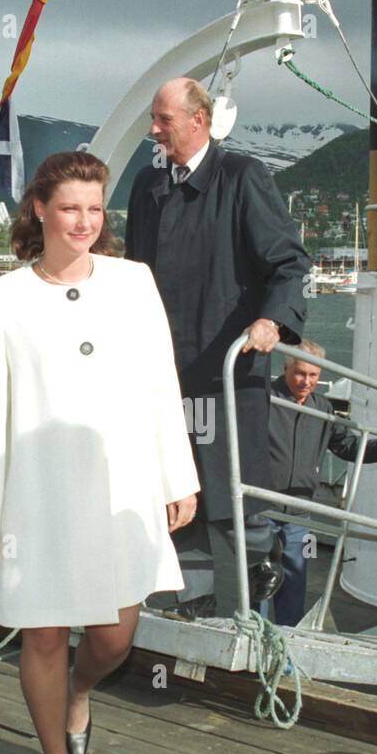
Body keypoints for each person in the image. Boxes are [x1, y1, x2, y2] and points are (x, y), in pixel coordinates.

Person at [0, 151, 199, 754]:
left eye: (94, 208)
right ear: (39, 210)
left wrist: (177, 474)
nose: (84, 222)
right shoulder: (0, 300)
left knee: (116, 634)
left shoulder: (133, 282)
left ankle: (81, 693)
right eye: (69, 208)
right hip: (35, 497)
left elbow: (158, 383)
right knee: (46, 632)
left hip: (121, 485)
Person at [126, 77, 310, 619]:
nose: (154, 130)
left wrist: (272, 320)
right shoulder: (146, 186)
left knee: (231, 501)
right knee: (163, 492)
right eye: (153, 120)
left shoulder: (241, 177)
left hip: (227, 375)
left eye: (163, 120)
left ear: (199, 121)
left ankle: (242, 607)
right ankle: (165, 611)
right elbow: (136, 277)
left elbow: (288, 262)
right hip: (164, 377)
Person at [265, 339, 377, 627]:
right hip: (261, 508)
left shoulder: (323, 408)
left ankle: (286, 641)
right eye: (300, 373)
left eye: (314, 375)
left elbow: (348, 447)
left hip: (299, 512)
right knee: (258, 580)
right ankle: (253, 640)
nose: (307, 381)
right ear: (285, 368)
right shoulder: (264, 400)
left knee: (295, 580)